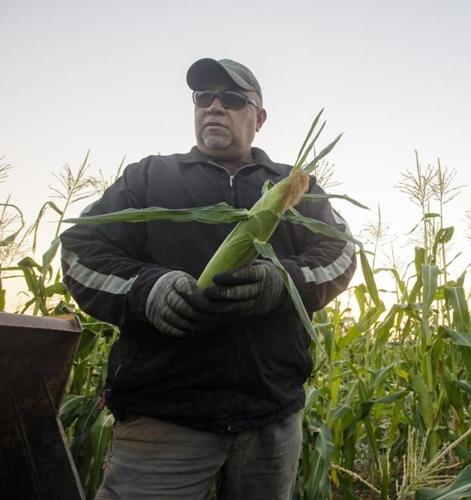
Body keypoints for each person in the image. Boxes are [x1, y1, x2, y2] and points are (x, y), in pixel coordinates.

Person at [60, 58, 356, 499]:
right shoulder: (150, 177)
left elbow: (339, 253)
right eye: (203, 97)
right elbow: (80, 251)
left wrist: (283, 283)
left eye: (232, 98)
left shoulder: (295, 185)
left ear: (259, 118)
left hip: (269, 418)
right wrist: (147, 291)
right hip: (164, 420)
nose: (214, 107)